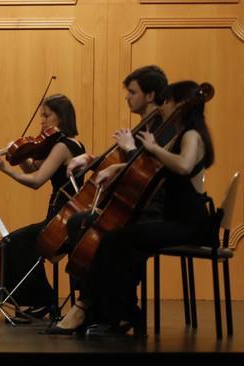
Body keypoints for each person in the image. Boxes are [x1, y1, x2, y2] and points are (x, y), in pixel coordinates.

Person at [60, 80, 216, 336]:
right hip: (178, 221)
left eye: (167, 101)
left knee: (117, 241)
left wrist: (153, 147)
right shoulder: (181, 134)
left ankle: (110, 313)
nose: (162, 106)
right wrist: (114, 168)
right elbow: (155, 168)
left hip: (189, 225)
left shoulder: (191, 135)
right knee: (116, 239)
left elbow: (184, 166)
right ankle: (121, 313)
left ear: (180, 105)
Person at [49, 66, 170, 334]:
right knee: (79, 222)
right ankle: (116, 310)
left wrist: (128, 149)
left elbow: (149, 170)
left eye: (132, 92)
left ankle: (89, 306)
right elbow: (123, 165)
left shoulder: (162, 128)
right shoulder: (145, 126)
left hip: (152, 210)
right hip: (133, 206)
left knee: (93, 228)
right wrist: (89, 159)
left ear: (150, 95)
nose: (127, 97)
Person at [0, 94, 85, 318]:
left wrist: (5, 169)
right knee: (17, 241)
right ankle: (41, 300)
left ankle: (44, 301)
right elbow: (32, 169)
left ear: (61, 117)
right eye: (41, 116)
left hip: (63, 219)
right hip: (60, 215)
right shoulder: (63, 144)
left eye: (46, 116)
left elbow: (36, 181)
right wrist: (20, 155)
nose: (42, 121)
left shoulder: (63, 146)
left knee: (15, 241)